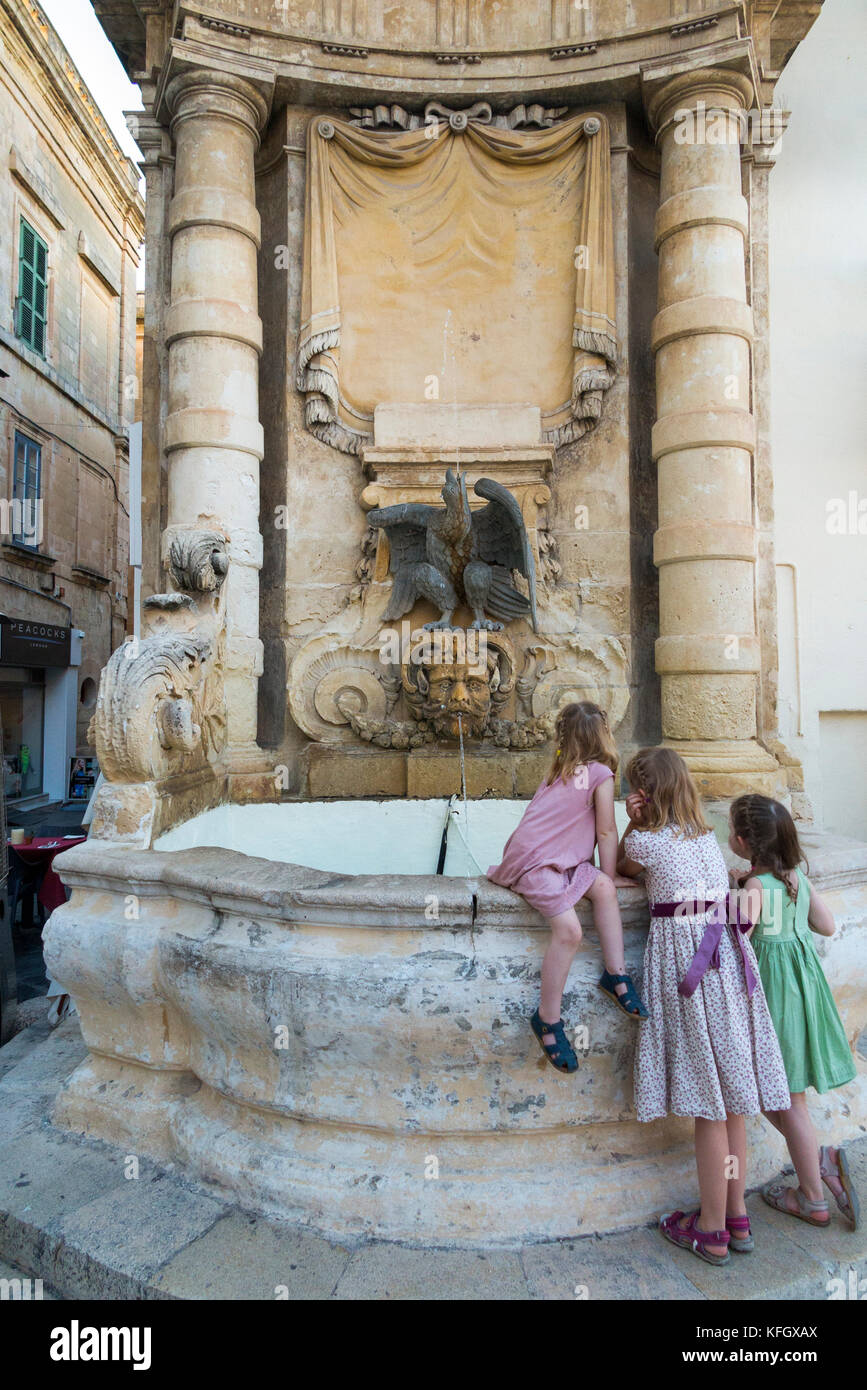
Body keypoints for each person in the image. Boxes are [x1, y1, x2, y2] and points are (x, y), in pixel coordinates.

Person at [617, 747, 791, 1265]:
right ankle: (736, 1214)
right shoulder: (706, 839)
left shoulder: (646, 840)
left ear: (644, 796)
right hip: (726, 967)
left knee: (708, 1106)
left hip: (688, 966)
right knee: (733, 1096)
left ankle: (711, 1230)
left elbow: (618, 865)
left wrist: (630, 824)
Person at [487, 701, 647, 1077]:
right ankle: (548, 1019)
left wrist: (605, 878)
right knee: (570, 931)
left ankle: (616, 973)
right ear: (604, 735)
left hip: (558, 861)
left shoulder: (560, 770)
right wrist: (611, 870)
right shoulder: (600, 774)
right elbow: (606, 829)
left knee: (604, 890)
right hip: (537, 865)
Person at [730, 793, 859, 1230]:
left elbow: (736, 938)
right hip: (804, 994)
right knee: (780, 1095)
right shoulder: (795, 879)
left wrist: (735, 894)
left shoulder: (754, 888)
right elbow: (827, 926)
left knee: (782, 1097)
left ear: (744, 842)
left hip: (773, 998)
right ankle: (817, 1161)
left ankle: (813, 1197)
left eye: (731, 830)